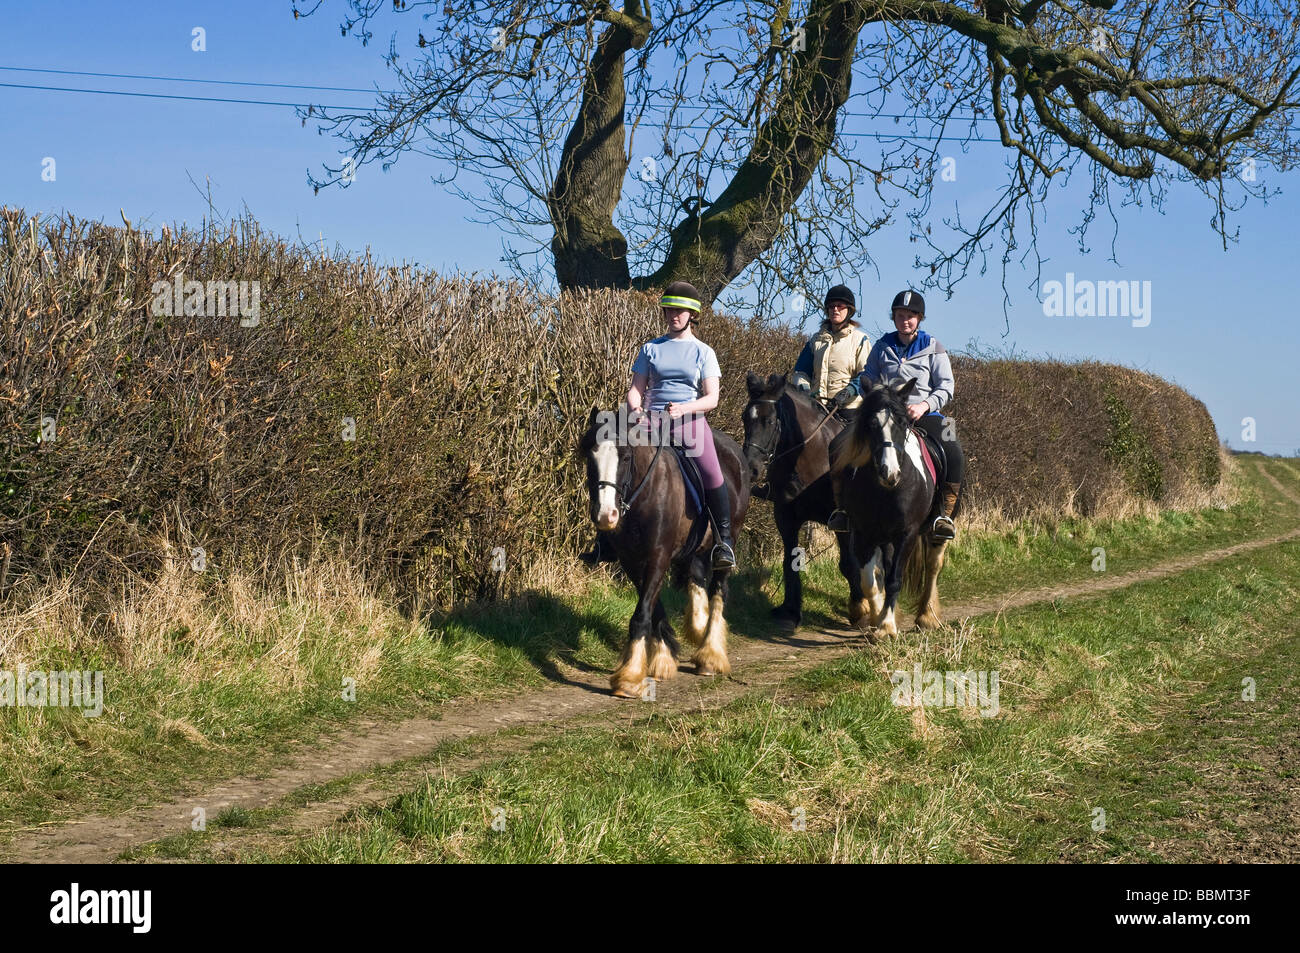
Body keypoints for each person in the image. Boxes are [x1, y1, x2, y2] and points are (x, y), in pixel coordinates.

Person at [580, 281, 737, 569]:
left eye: (679, 310)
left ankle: (723, 542)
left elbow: (712, 398)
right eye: (668, 310)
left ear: (692, 314)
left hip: (688, 421)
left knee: (713, 474)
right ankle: (605, 540)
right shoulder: (651, 348)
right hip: (650, 421)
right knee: (617, 465)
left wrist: (684, 408)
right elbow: (636, 388)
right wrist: (636, 408)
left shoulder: (704, 352)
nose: (673, 315)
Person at [825, 289, 965, 542]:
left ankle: (943, 515)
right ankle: (843, 510)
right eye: (900, 315)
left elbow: (946, 387)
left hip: (924, 413)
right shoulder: (882, 346)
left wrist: (924, 405)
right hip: (887, 414)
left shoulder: (934, 347)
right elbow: (867, 377)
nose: (906, 320)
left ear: (920, 318)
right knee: (838, 444)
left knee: (953, 448)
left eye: (911, 315)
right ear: (894, 317)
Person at [790, 284, 873, 419]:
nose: (835, 309)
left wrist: (848, 391)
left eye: (840, 306)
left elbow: (866, 374)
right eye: (831, 306)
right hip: (818, 408)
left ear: (849, 311)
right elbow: (801, 372)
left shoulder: (860, 340)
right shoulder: (815, 340)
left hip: (849, 410)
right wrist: (804, 390)